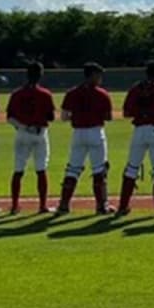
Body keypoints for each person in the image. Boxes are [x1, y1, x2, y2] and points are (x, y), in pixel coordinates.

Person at [119, 60, 154, 216]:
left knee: (131, 168)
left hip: (139, 131)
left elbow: (126, 113)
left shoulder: (135, 88)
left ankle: (123, 206)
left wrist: (141, 112)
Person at [58, 62, 115, 215]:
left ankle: (64, 204)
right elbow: (109, 117)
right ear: (92, 76)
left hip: (78, 133)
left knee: (73, 169)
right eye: (98, 75)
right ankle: (101, 205)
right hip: (96, 132)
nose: (100, 78)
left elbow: (64, 117)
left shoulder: (72, 93)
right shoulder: (102, 94)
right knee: (99, 170)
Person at [5, 61, 57, 215]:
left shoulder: (17, 93)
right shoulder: (45, 94)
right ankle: (42, 205)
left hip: (22, 132)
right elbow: (51, 117)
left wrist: (23, 125)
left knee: (18, 170)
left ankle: (15, 205)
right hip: (40, 133)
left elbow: (10, 118)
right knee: (41, 170)